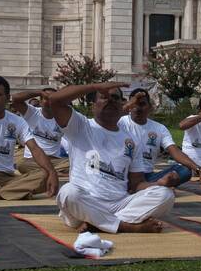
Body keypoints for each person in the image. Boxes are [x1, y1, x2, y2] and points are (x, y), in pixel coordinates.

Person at [46, 81, 175, 233]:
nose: (109, 100)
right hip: (85, 202)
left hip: (119, 204)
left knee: (165, 195)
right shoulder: (81, 126)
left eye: (114, 97)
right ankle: (127, 226)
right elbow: (54, 100)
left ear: (122, 105)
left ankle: (97, 224)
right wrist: (93, 86)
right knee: (68, 193)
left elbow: (137, 184)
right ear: (93, 105)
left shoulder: (131, 140)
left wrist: (158, 184)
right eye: (103, 97)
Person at [123, 88, 201, 188]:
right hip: (124, 176)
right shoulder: (120, 123)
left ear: (150, 107)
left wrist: (198, 169)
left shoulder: (159, 128)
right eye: (134, 104)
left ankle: (149, 186)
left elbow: (174, 151)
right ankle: (152, 188)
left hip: (148, 177)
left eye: (141, 104)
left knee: (185, 170)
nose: (137, 108)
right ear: (129, 106)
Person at [9, 88, 71, 178]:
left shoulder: (63, 118)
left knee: (74, 162)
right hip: (33, 160)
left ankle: (46, 173)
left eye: (53, 99)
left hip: (55, 160)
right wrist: (39, 92)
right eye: (47, 98)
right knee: (22, 165)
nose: (50, 101)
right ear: (41, 102)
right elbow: (15, 99)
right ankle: (55, 173)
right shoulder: (32, 112)